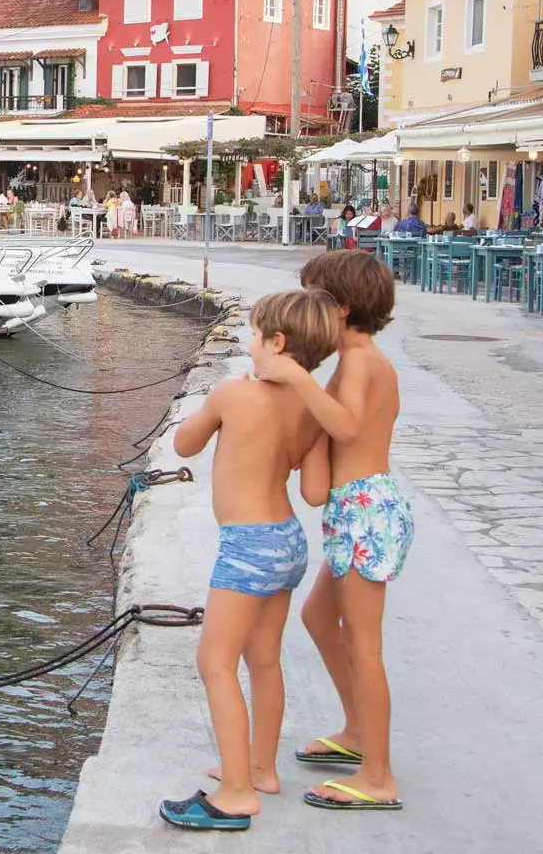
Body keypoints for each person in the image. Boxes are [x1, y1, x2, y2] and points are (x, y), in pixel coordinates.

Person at [158, 290, 340, 832]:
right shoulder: (310, 408)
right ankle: (260, 769)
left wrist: (207, 412)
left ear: (277, 344)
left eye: (254, 334)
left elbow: (185, 446)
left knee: (215, 662)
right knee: (264, 660)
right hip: (288, 541)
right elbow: (313, 492)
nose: (247, 342)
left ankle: (235, 794)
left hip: (247, 546)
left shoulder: (233, 394)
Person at [252, 250, 409, 814]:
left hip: (367, 511)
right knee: (320, 617)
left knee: (365, 646)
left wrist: (295, 376)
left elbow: (345, 425)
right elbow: (326, 459)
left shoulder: (364, 362)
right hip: (351, 510)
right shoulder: (350, 361)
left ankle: (379, 775)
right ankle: (359, 730)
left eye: (315, 301)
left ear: (341, 309)